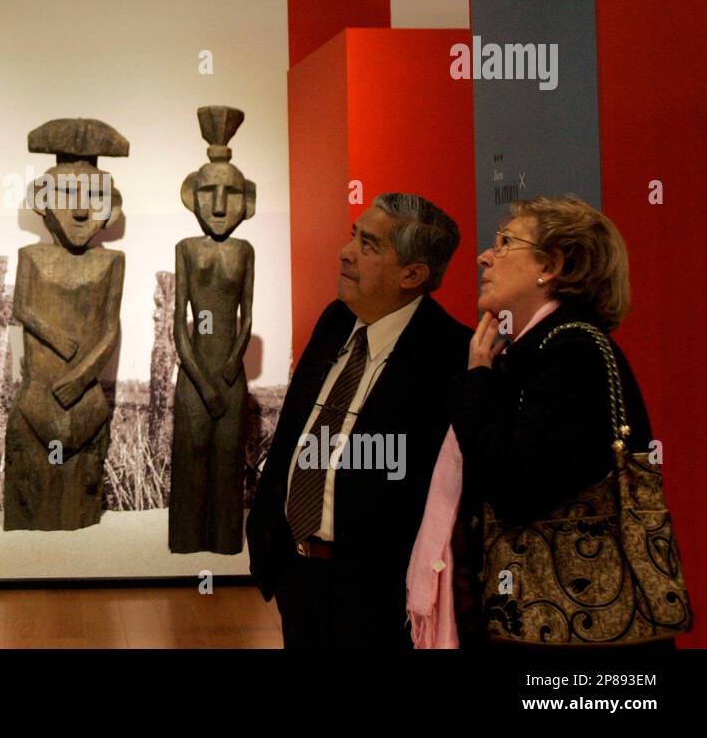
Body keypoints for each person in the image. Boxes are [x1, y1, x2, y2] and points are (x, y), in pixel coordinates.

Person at [444, 196, 675, 647]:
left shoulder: (571, 352)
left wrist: (478, 382)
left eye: (505, 242)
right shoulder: (540, 350)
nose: (483, 256)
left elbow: (516, 489)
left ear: (550, 265)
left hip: (578, 627)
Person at [247, 193, 471, 648]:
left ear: (412, 274)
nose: (345, 251)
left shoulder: (451, 355)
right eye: (354, 234)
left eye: (368, 245)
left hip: (377, 596)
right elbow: (294, 431)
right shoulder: (334, 321)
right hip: (298, 575)